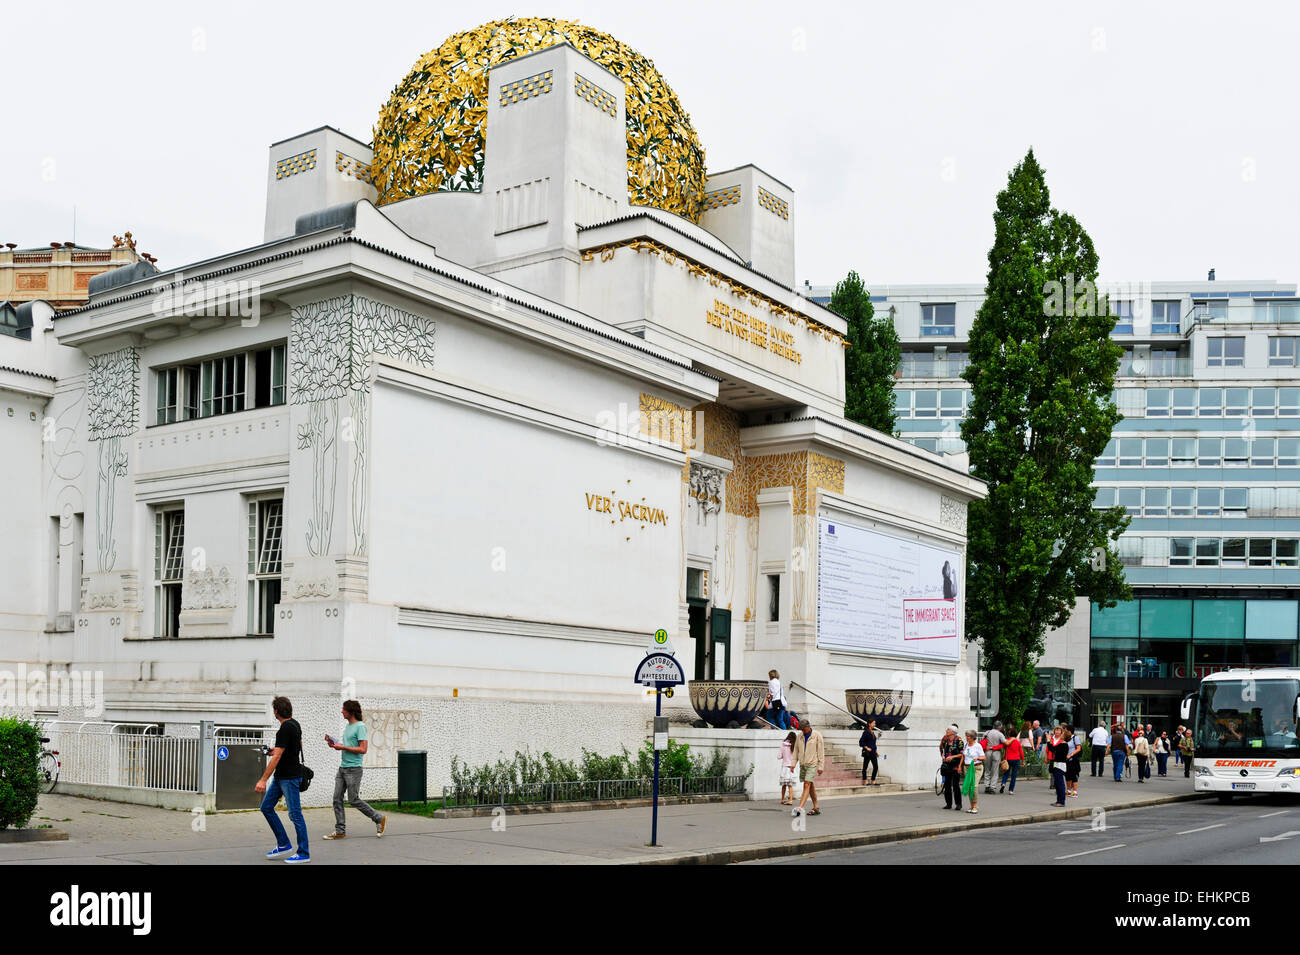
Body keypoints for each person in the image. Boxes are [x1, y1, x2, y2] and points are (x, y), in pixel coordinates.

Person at [255, 696, 309, 864]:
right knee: (266, 807)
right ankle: (284, 844)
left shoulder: (285, 729)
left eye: (274, 709)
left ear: (276, 711)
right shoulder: (295, 724)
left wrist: (263, 780)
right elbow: (295, 746)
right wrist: (275, 750)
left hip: (289, 778)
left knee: (295, 814)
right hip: (282, 777)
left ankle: (303, 852)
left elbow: (278, 757)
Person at [323, 699, 387, 840]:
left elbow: (363, 749)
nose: (341, 711)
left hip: (354, 769)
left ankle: (378, 818)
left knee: (353, 799)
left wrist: (343, 747)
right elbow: (349, 745)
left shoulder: (360, 727)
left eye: (344, 709)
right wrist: (335, 745)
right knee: (336, 798)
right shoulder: (348, 727)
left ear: (351, 711)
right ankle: (340, 831)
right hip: (343, 767)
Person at [792, 719, 824, 816]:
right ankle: (816, 807)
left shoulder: (817, 735)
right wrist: (793, 764)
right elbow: (796, 751)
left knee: (806, 784)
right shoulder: (799, 736)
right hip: (803, 764)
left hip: (812, 763)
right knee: (810, 785)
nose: (802, 731)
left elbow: (821, 752)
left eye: (803, 729)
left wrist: (820, 766)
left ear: (808, 727)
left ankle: (800, 807)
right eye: (801, 730)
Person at [941, 724, 965, 810]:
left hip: (956, 765)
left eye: (948, 730)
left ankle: (958, 804)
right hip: (947, 765)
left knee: (955, 785)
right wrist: (943, 756)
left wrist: (953, 757)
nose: (946, 731)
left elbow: (962, 754)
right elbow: (942, 750)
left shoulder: (959, 741)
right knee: (947, 785)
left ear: (952, 732)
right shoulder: (945, 740)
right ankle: (948, 803)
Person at [962, 730, 984, 814]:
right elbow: (963, 756)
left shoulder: (978, 746)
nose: (967, 737)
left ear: (973, 737)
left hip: (976, 767)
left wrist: (977, 758)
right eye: (966, 736)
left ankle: (975, 806)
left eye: (968, 736)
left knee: (974, 786)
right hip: (967, 767)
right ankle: (971, 805)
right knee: (968, 786)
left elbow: (983, 757)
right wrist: (961, 765)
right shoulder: (966, 745)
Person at [981, 720, 1006, 794]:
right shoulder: (1000, 734)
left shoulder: (987, 732)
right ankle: (992, 787)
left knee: (987, 769)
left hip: (987, 752)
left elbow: (983, 741)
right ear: (1000, 727)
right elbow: (1004, 743)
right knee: (994, 771)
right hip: (996, 752)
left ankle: (987, 786)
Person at [1049, 726, 1069, 806]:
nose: (1061, 735)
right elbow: (1053, 749)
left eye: (1062, 734)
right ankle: (1058, 801)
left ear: (1064, 736)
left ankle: (1061, 801)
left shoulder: (1063, 745)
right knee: (1057, 783)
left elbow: (1052, 749)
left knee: (1060, 784)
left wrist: (1048, 741)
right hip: (1058, 764)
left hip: (1060, 765)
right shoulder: (1062, 744)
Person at [778, 731, 797, 806]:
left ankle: (782, 799)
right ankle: (790, 800)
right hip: (791, 767)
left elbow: (779, 756)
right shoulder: (795, 746)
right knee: (790, 785)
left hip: (785, 767)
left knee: (784, 785)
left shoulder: (783, 745)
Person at [859, 719, 879, 785]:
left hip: (873, 752)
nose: (874, 724)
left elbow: (873, 743)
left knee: (876, 767)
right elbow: (861, 742)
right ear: (869, 724)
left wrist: (876, 751)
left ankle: (873, 781)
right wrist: (867, 748)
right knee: (865, 767)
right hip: (867, 753)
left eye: (875, 723)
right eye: (873, 723)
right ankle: (865, 781)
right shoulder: (866, 732)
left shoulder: (872, 732)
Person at [1064, 726, 1082, 797]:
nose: (1064, 731)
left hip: (1073, 759)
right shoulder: (1065, 738)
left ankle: (1075, 791)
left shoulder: (1075, 738)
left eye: (1065, 730)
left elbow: (1078, 749)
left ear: (1069, 731)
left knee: (1073, 775)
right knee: (1067, 775)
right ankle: (1068, 790)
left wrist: (1070, 755)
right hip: (1066, 760)